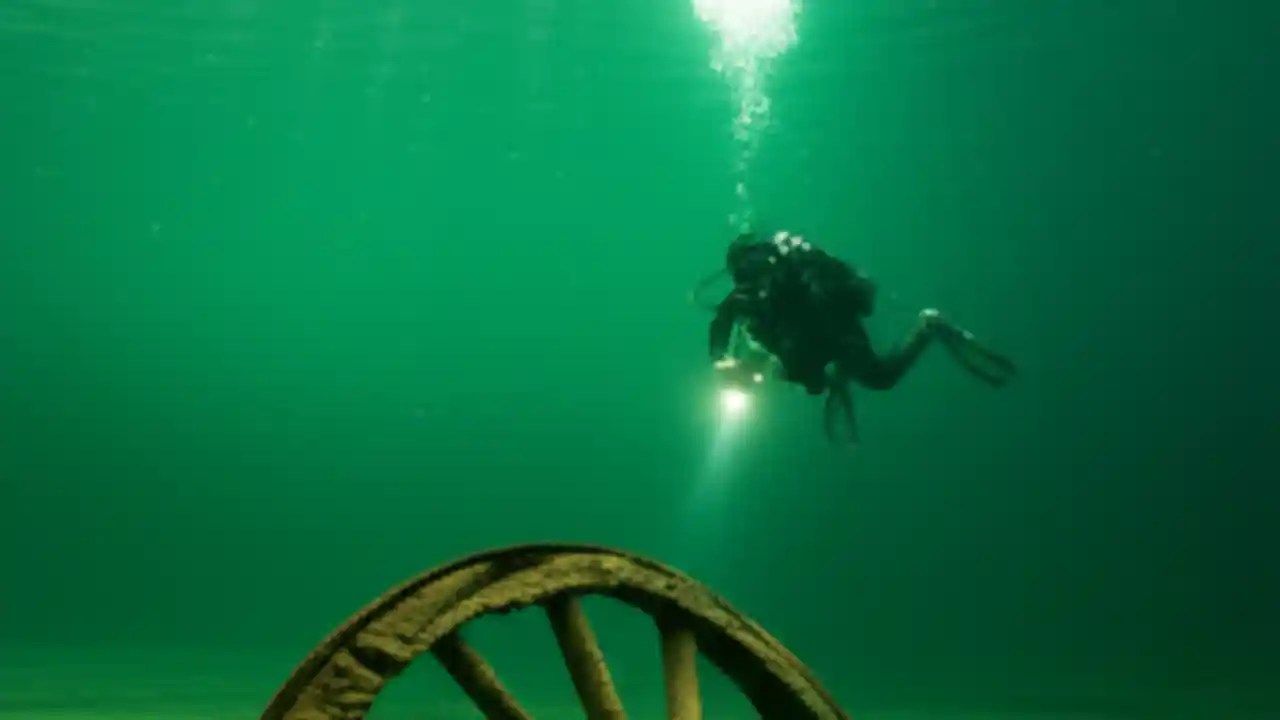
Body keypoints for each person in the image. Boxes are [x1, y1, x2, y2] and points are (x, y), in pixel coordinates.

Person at [706, 230, 1016, 443]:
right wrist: (725, 361)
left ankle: (930, 325)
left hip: (830, 333)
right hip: (827, 336)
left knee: (875, 378)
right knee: (869, 377)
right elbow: (730, 327)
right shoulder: (761, 298)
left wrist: (722, 359)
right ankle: (928, 326)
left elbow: (727, 323)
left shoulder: (757, 297)